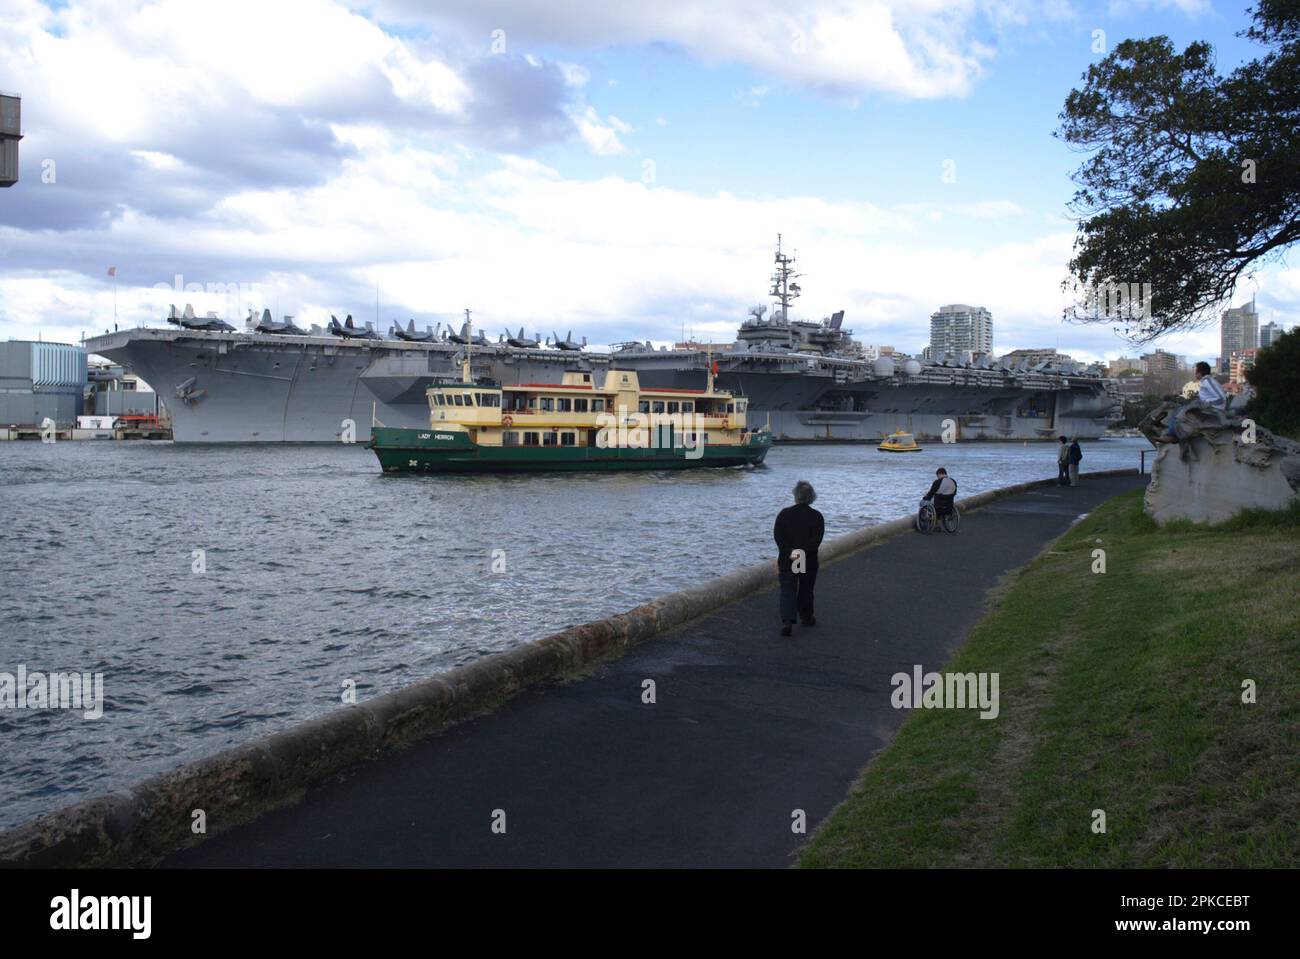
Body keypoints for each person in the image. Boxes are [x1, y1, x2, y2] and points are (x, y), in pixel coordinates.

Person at [773, 480, 824, 637]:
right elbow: (816, 541)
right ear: (812, 498)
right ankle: (806, 617)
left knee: (788, 587)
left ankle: (788, 621)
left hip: (789, 558)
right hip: (806, 558)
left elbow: (779, 537)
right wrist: (801, 552)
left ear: (796, 496)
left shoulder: (784, 514)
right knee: (805, 588)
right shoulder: (816, 516)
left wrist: (791, 551)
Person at [1163, 361, 1228, 440]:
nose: (1195, 373)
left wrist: (1207, 404)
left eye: (1196, 371)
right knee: (1182, 409)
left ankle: (1171, 434)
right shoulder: (1206, 381)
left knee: (1180, 410)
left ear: (1200, 372)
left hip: (1213, 409)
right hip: (1210, 407)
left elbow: (1221, 398)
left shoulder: (1207, 381)